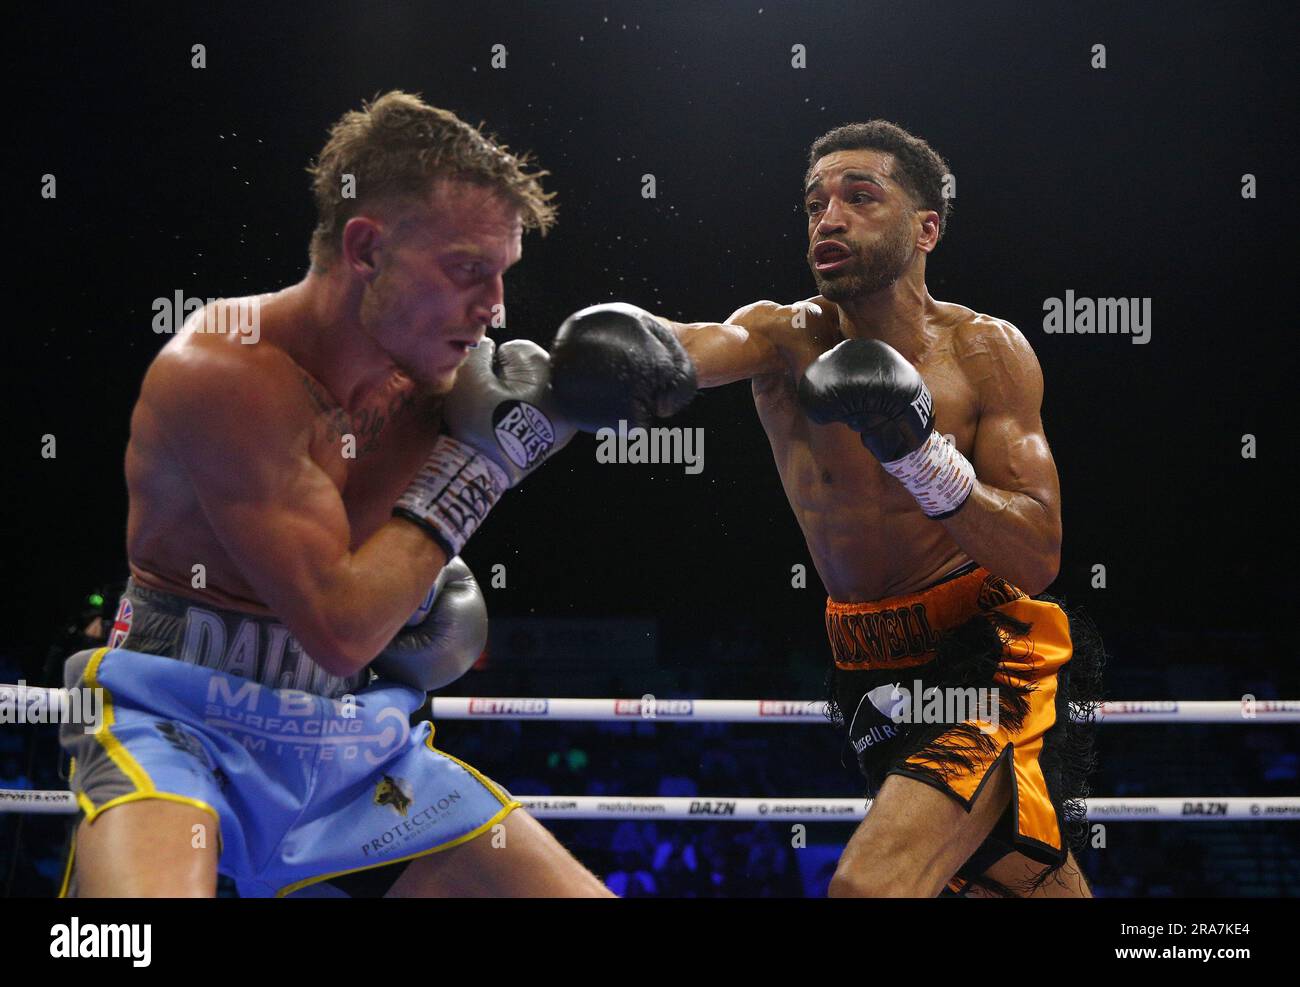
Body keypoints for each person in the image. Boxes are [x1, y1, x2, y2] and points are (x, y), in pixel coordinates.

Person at [60, 91, 618, 898]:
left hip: (349, 741)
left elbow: (632, 356)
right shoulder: (225, 371)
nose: (494, 306)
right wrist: (481, 466)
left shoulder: (439, 376)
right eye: (468, 270)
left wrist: (791, 340)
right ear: (366, 248)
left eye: (502, 275)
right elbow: (343, 627)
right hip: (176, 720)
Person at [551, 121, 1103, 897]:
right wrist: (580, 365)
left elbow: (1038, 553)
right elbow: (691, 345)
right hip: (864, 666)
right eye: (815, 204)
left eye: (859, 197)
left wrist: (921, 457)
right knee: (1010, 884)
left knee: (870, 886)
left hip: (987, 652)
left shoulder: (987, 352)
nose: (829, 218)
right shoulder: (785, 336)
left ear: (926, 227)